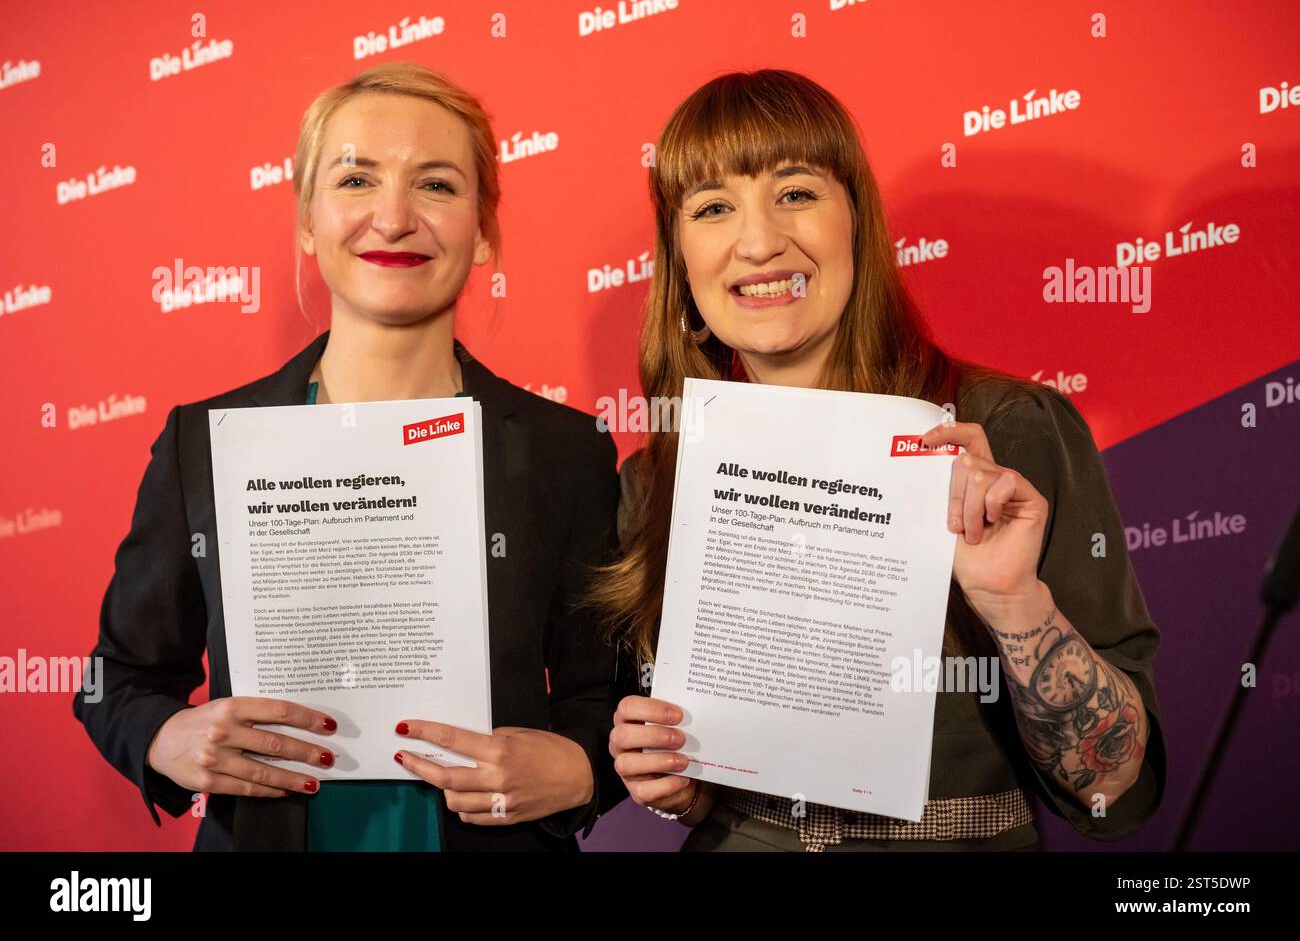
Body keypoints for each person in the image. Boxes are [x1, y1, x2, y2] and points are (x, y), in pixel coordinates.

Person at [596, 69, 1167, 851]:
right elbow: (687, 785)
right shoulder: (655, 483)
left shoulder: (1008, 433)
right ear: (682, 264)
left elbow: (1113, 788)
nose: (759, 242)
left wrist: (1013, 602)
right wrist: (671, 782)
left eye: (795, 193)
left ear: (856, 221)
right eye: (713, 208)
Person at [73, 62, 624, 851]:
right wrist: (166, 739)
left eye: (436, 185)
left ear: (485, 229)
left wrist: (577, 768)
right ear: (306, 219)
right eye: (357, 179)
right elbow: (113, 679)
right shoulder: (202, 442)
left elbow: (603, 698)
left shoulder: (565, 453)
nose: (393, 219)